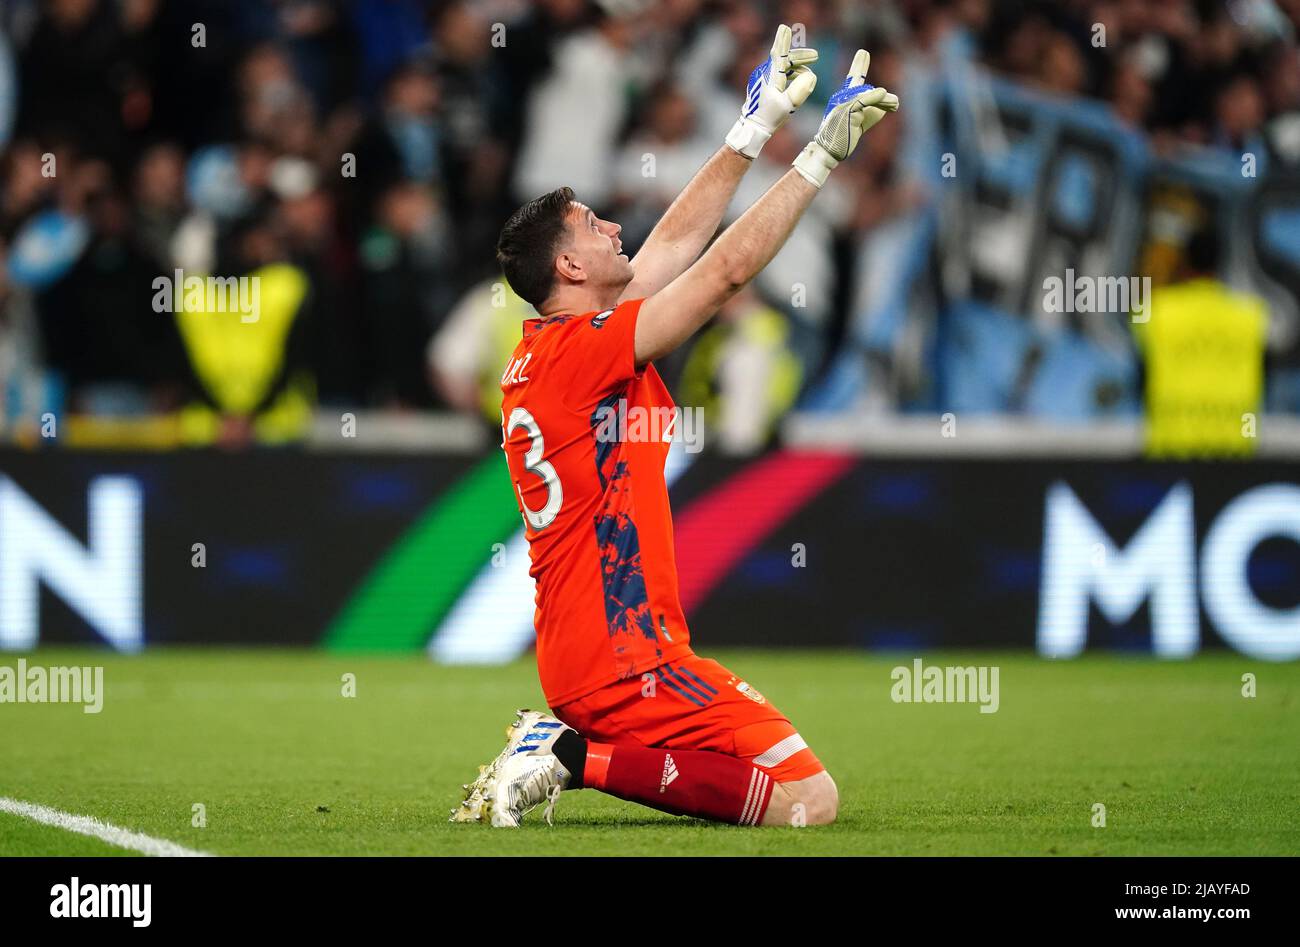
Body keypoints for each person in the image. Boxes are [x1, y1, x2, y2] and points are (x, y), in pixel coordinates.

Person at [452, 26, 898, 828]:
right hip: (628, 660)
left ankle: (572, 748)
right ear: (570, 269)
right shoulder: (583, 353)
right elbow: (720, 270)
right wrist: (818, 163)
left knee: (751, 778)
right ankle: (568, 755)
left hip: (599, 653)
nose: (615, 228)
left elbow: (676, 242)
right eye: (594, 225)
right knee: (809, 801)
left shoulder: (559, 349)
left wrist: (750, 131)